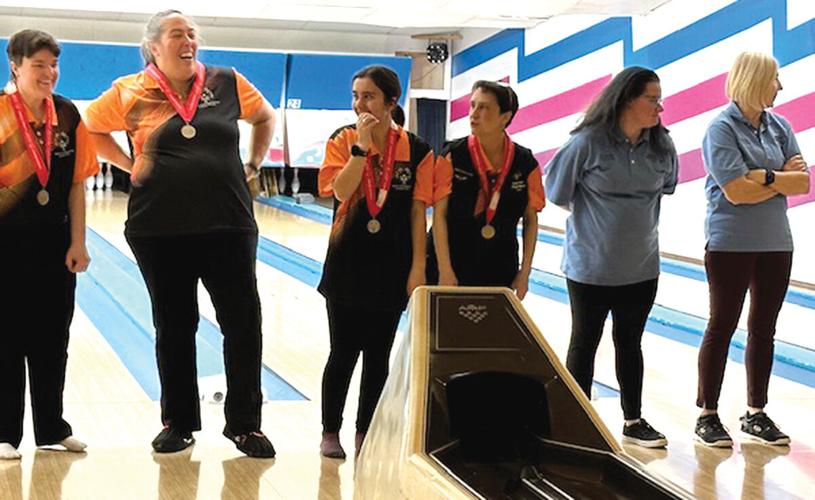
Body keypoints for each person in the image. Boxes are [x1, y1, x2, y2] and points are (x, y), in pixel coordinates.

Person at [84, 10, 277, 458]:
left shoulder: (226, 81)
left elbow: (264, 117)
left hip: (228, 223)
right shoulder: (130, 90)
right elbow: (91, 126)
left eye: (192, 33)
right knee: (174, 325)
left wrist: (252, 164)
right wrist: (129, 164)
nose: (188, 40)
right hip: (159, 228)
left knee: (243, 324)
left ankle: (246, 425)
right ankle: (179, 422)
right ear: (154, 46)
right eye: (177, 34)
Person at [544, 67, 678, 448]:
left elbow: (665, 187)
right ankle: (575, 420)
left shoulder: (662, 146)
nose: (660, 107)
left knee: (629, 343)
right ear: (626, 100)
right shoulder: (586, 143)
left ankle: (633, 420)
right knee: (584, 342)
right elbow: (556, 191)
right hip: (590, 269)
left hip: (641, 268)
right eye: (652, 99)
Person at [317, 65, 434, 459]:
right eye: (355, 95)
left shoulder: (417, 150)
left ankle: (365, 431)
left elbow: (419, 213)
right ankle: (329, 431)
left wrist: (418, 267)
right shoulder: (343, 139)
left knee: (378, 356)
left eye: (368, 96)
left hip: (393, 264)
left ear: (390, 102)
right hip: (347, 261)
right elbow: (340, 189)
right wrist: (360, 150)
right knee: (343, 351)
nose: (359, 105)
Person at [694, 52, 809, 448]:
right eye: (775, 79)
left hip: (776, 242)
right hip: (730, 243)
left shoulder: (781, 126)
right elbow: (737, 192)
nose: (780, 87)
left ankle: (755, 413)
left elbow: (803, 183)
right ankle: (707, 415)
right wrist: (781, 179)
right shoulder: (720, 129)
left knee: (764, 330)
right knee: (721, 325)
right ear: (756, 80)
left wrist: (764, 176)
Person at [0, 29, 98, 460]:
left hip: (55, 244)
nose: (49, 73)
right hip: (5, 244)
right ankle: (3, 431)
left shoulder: (68, 115)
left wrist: (78, 242)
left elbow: (76, 184)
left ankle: (52, 427)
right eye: (39, 65)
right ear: (15, 67)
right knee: (6, 339)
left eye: (53, 65)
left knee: (52, 338)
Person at [429, 80, 543, 297]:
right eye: (473, 105)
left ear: (505, 116)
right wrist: (445, 269)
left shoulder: (525, 162)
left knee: (492, 329)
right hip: (451, 262)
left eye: (484, 107)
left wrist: (525, 272)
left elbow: (531, 219)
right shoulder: (452, 155)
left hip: (499, 264)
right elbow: (439, 215)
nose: (474, 113)